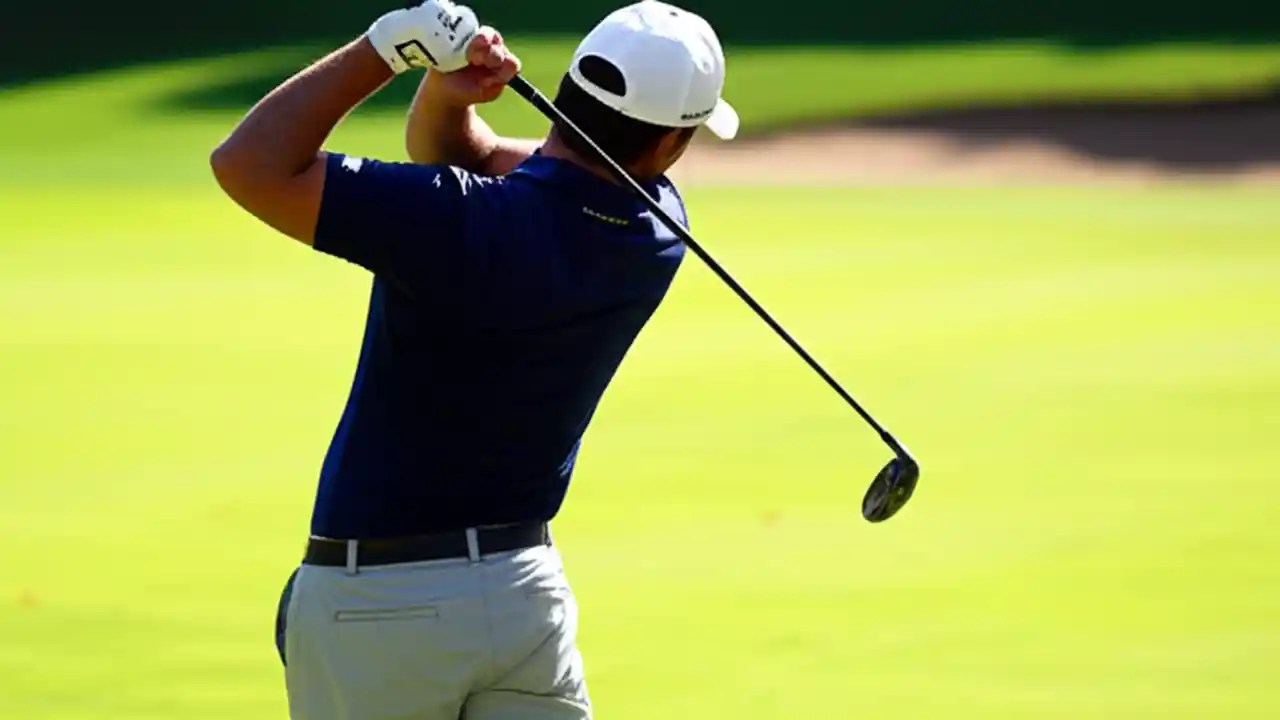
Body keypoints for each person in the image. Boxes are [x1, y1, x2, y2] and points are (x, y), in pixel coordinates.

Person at [210, 1, 737, 718]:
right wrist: (445, 94)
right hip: (522, 597)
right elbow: (485, 163)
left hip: (376, 603)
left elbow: (248, 164)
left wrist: (387, 48)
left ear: (569, 93)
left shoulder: (449, 216)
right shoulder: (657, 231)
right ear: (671, 145)